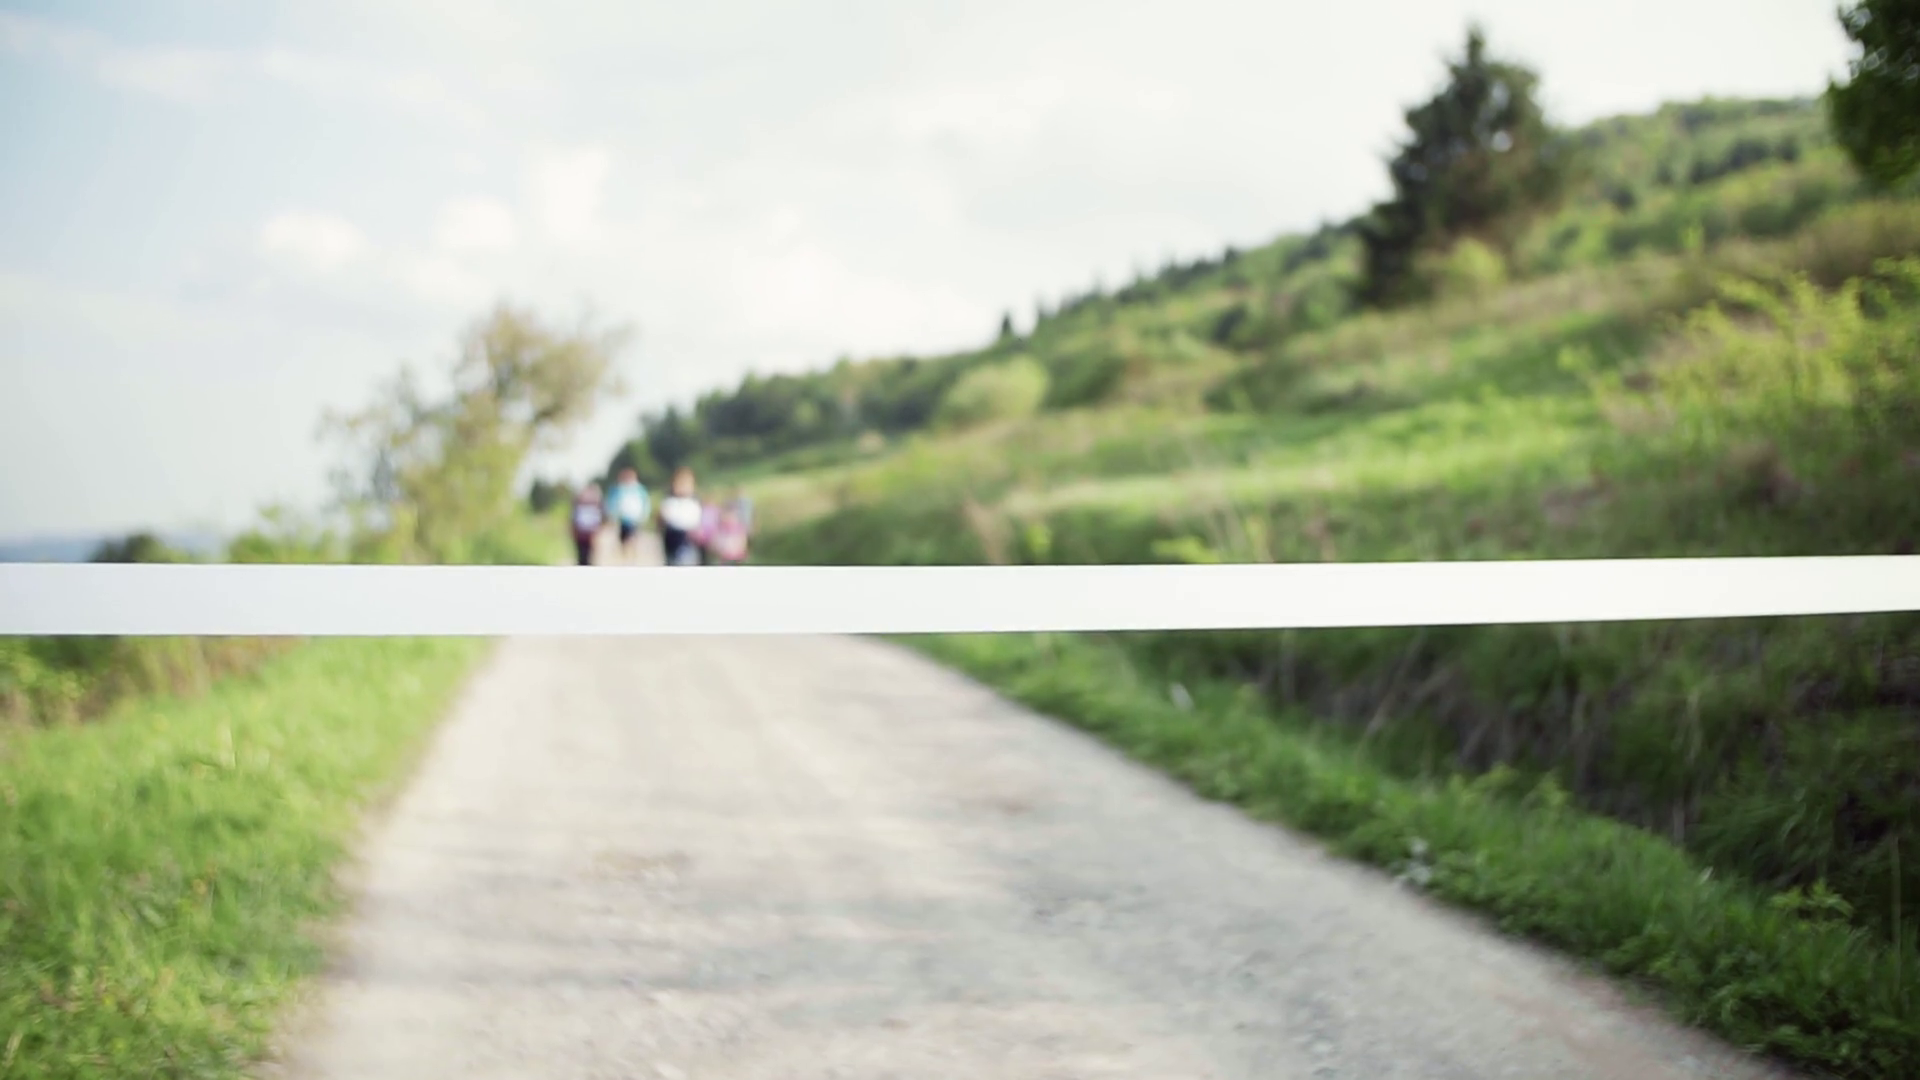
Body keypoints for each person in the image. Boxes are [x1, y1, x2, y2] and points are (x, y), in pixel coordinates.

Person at [656, 467, 705, 567]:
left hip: (688, 538)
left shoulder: (694, 502)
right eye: (679, 484)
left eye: (686, 484)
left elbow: (698, 520)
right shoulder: (669, 501)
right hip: (671, 536)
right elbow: (662, 518)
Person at [606, 468, 651, 564]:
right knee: (623, 539)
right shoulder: (619, 489)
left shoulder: (640, 489)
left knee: (632, 537)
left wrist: (644, 516)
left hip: (635, 519)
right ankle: (626, 557)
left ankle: (633, 557)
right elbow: (613, 503)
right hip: (623, 519)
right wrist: (612, 515)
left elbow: (645, 503)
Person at [569, 482, 605, 567]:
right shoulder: (578, 504)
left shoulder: (596, 504)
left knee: (589, 555)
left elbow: (599, 519)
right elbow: (573, 519)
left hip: (590, 533)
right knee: (581, 554)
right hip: (580, 533)